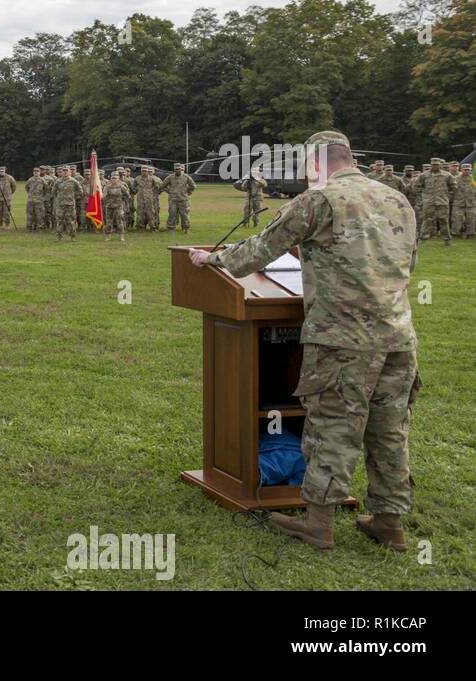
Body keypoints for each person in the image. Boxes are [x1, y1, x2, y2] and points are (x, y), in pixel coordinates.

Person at [188, 131, 419, 552]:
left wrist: (211, 259)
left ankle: (318, 525)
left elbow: (258, 251)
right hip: (399, 340)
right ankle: (390, 523)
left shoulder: (318, 200)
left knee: (331, 427)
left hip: (342, 341)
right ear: (350, 157)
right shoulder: (398, 199)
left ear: (315, 164)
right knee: (389, 433)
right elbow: (407, 263)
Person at [162, 163, 196, 233]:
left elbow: (193, 185)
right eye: (176, 169)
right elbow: (163, 186)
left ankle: (186, 228)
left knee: (184, 215)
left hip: (183, 200)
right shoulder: (170, 177)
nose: (177, 171)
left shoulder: (186, 177)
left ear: (181, 169)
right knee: (172, 214)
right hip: (173, 200)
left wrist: (189, 191)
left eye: (178, 169)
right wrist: (169, 191)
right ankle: (171, 228)